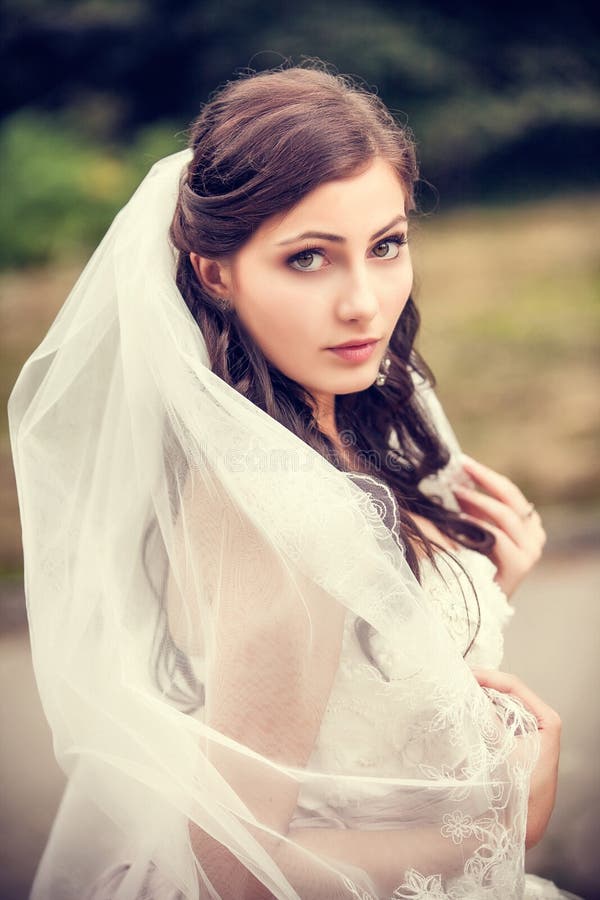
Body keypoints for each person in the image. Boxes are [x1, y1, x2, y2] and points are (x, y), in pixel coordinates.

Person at [8, 64, 581, 900]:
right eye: (308, 258)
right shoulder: (273, 511)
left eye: (386, 245)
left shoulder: (324, 427)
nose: (363, 304)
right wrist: (501, 822)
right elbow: (233, 869)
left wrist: (482, 581)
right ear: (215, 272)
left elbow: (351, 681)